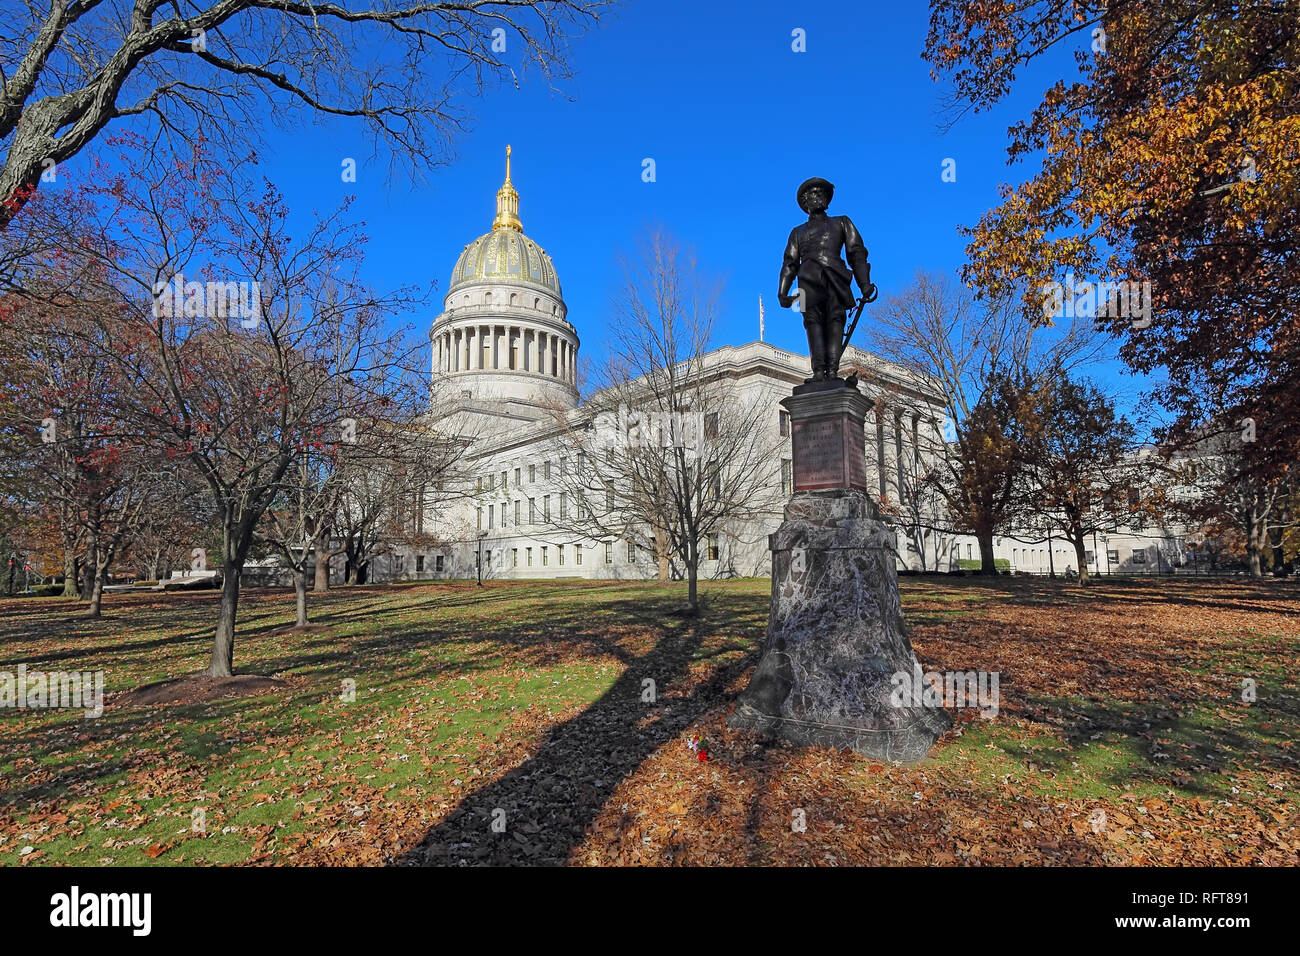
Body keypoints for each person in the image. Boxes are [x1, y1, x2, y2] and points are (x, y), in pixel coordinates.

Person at [777, 177, 876, 381]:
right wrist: (783, 292)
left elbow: (856, 253)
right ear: (805, 203)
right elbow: (789, 263)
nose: (819, 197)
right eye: (814, 194)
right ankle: (818, 371)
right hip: (806, 283)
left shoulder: (841, 222)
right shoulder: (797, 232)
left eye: (822, 193)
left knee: (835, 320)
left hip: (835, 278)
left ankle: (832, 371)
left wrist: (864, 284)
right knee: (812, 323)